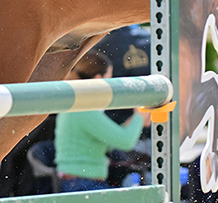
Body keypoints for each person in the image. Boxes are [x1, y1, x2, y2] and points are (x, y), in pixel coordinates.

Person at [53, 26, 153, 192]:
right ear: (99, 79)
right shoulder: (84, 110)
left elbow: (109, 140)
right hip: (84, 186)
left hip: (79, 183)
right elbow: (125, 142)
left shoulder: (77, 105)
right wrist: (138, 117)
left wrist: (134, 121)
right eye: (109, 79)